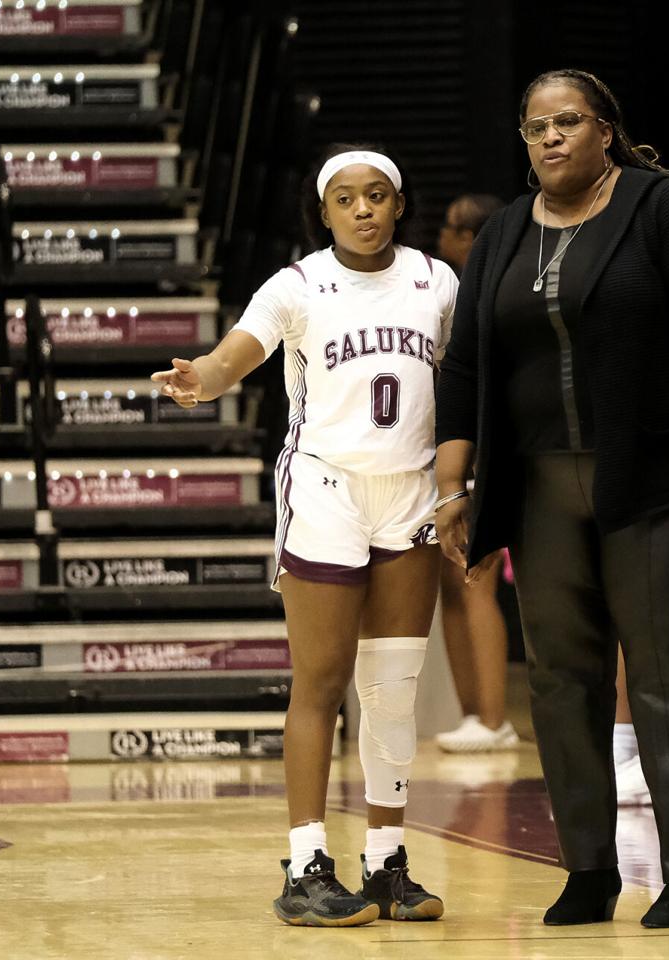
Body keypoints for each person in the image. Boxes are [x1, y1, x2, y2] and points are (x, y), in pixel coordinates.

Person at [434, 68, 669, 928]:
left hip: (650, 477)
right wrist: (452, 483)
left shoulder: (663, 207)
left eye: (566, 122)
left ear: (605, 129)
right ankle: (588, 871)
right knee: (560, 680)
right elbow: (464, 361)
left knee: (665, 672)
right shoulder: (503, 231)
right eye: (533, 127)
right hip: (537, 487)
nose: (548, 138)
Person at [152, 144, 455, 926]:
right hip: (326, 487)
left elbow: (469, 382)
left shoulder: (437, 282)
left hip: (411, 489)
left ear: (398, 204)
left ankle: (387, 865)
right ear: (324, 212)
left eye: (377, 196)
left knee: (392, 690)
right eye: (346, 198)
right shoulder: (297, 285)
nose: (363, 209)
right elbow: (231, 360)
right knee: (320, 678)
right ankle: (306, 862)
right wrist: (200, 381)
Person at [433, 192, 521, 754]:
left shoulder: (493, 297)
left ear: (468, 238)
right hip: (452, 458)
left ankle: (494, 718)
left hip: (486, 453)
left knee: (476, 581)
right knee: (453, 585)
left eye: (447, 227)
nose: (439, 237)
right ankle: (473, 716)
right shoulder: (458, 298)